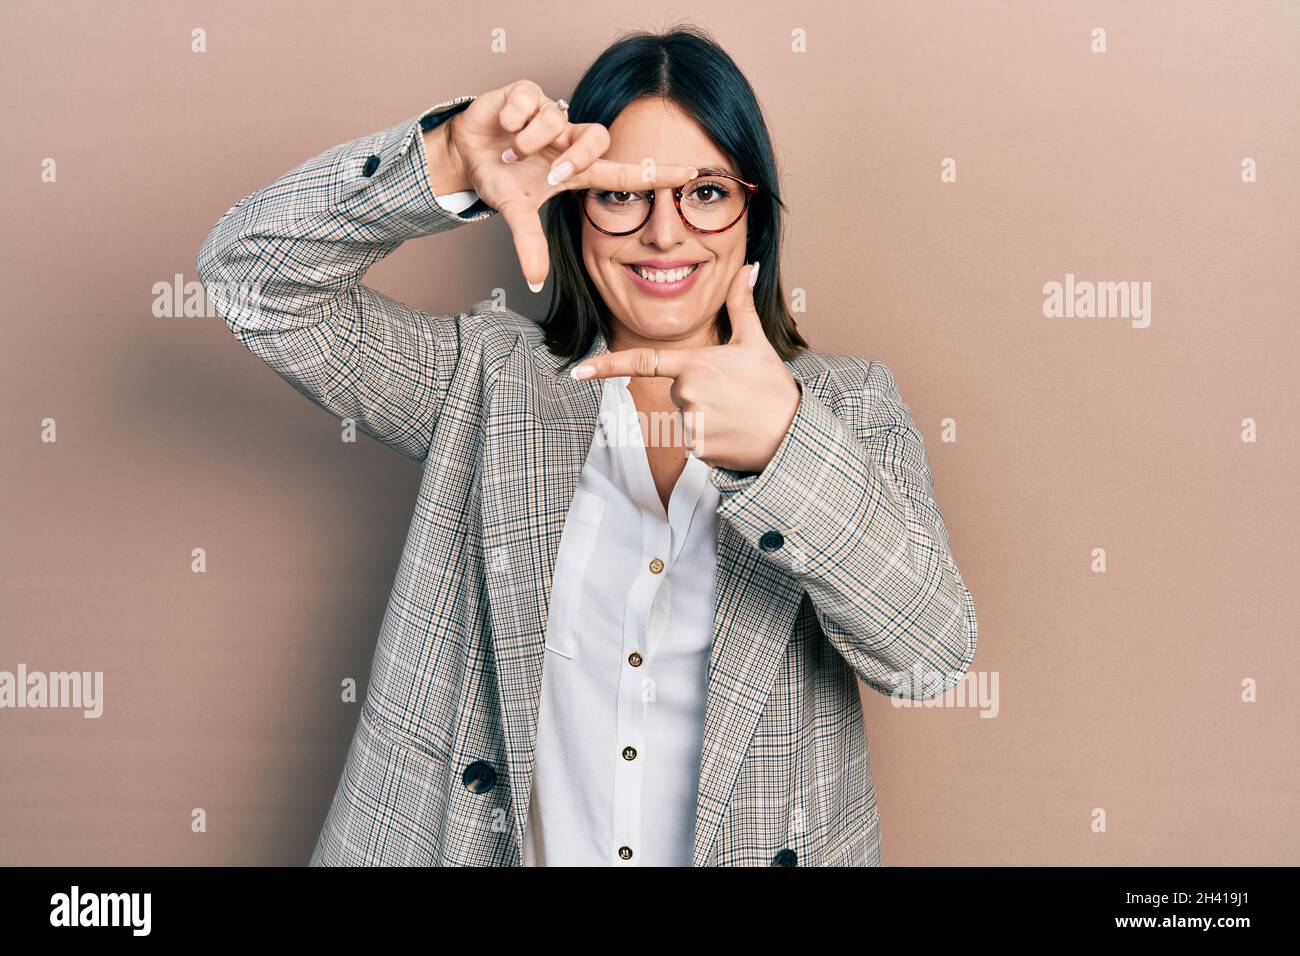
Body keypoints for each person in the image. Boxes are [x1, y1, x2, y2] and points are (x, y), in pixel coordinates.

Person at [196, 24, 978, 867]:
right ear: (573, 209)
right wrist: (447, 160)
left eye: (705, 192)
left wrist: (784, 449)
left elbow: (930, 657)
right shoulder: (485, 385)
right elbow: (252, 282)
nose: (666, 233)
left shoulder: (847, 408)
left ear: (754, 212)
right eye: (623, 194)